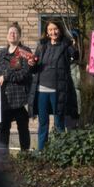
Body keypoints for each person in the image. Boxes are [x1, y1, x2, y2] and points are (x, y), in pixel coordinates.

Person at [0, 22, 37, 151]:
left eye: (15, 32)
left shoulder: (25, 52)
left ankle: (24, 154)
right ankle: (3, 157)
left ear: (19, 36)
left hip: (19, 98)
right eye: (10, 32)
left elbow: (25, 73)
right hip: (4, 99)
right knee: (3, 129)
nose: (12, 35)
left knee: (23, 128)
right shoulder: (1, 54)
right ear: (7, 36)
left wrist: (6, 77)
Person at [32, 19, 79, 151]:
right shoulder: (41, 46)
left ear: (60, 30)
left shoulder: (66, 45)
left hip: (58, 91)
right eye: (50, 30)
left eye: (55, 29)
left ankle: (59, 153)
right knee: (43, 124)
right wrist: (32, 64)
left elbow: (75, 56)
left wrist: (73, 44)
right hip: (42, 90)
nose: (53, 32)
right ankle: (41, 151)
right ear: (47, 33)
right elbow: (35, 68)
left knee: (59, 123)